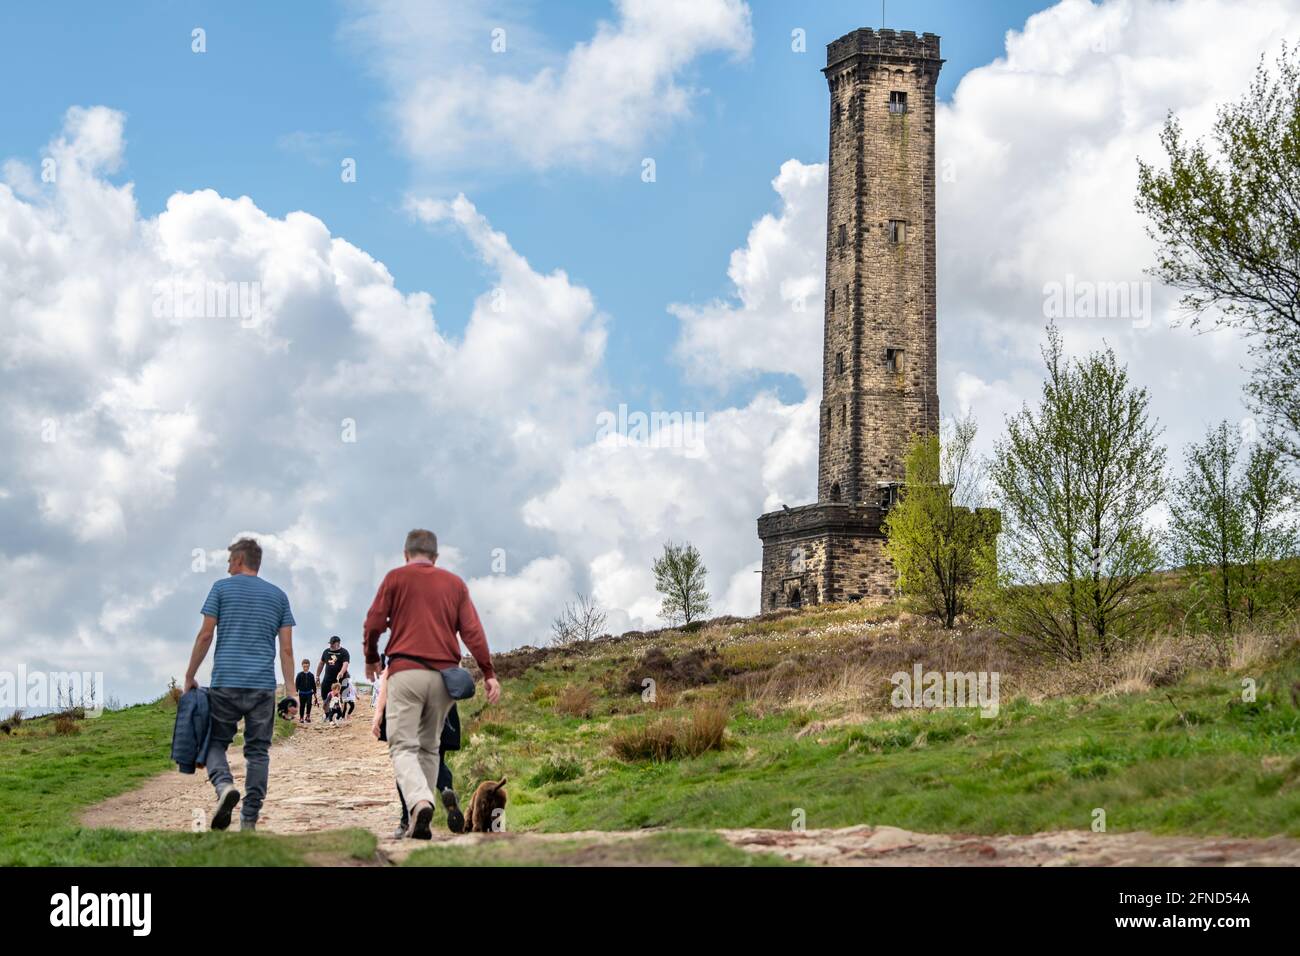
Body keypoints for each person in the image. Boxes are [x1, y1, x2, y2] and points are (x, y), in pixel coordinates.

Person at [364, 528, 499, 839]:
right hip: (444, 678)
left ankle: (419, 802)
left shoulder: (395, 578)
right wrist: (488, 672)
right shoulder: (454, 584)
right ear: (435, 557)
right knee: (429, 749)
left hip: (406, 673)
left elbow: (373, 622)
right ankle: (418, 821)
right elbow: (473, 632)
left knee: (402, 746)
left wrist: (371, 656)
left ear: (405, 554)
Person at [183, 537, 296, 833]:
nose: (226, 565)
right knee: (258, 752)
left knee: (215, 743)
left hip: (225, 683)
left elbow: (205, 635)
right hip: (262, 687)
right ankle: (249, 819)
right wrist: (291, 692)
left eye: (229, 559)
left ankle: (223, 787)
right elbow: (286, 650)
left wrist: (190, 674)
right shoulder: (279, 596)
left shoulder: (220, 588)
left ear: (238, 560)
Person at [371, 667, 463, 836]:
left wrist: (379, 711)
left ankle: (408, 819)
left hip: (408, 705)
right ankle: (446, 791)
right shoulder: (444, 642)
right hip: (439, 705)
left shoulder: (402, 642)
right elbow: (457, 672)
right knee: (437, 761)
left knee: (405, 762)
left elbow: (387, 675)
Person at [315, 636, 349, 707]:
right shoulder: (326, 651)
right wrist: (317, 675)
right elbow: (321, 663)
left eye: (333, 643)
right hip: (328, 678)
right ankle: (327, 713)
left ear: (338, 643)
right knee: (324, 695)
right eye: (330, 643)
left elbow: (345, 664)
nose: (331, 645)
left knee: (340, 698)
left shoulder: (344, 652)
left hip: (339, 679)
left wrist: (341, 672)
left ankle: (339, 713)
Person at [294, 659, 317, 723]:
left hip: (309, 693)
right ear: (302, 666)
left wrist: (315, 692)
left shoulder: (311, 675)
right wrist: (296, 690)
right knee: (302, 705)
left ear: (309, 666)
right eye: (304, 667)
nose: (305, 668)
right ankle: (301, 718)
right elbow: (296, 683)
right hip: (302, 693)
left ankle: (308, 716)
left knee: (309, 704)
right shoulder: (299, 674)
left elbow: (313, 684)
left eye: (307, 667)